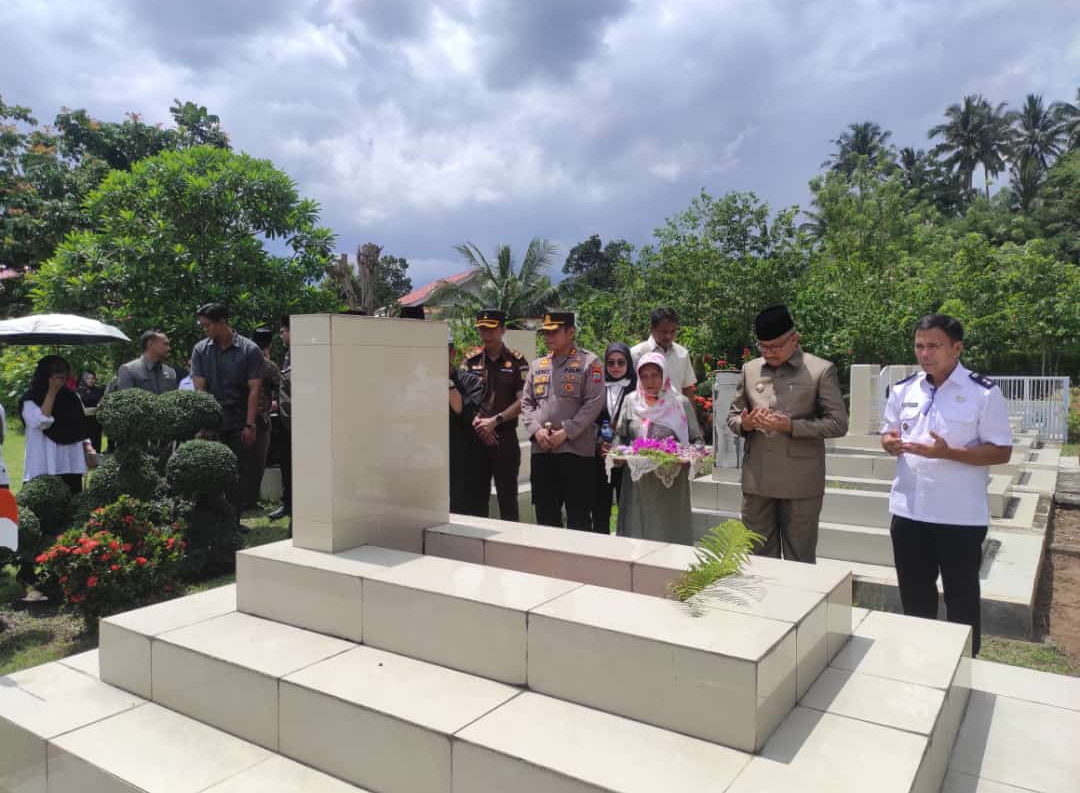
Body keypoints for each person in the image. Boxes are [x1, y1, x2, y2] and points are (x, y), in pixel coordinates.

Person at [881, 314, 1012, 657]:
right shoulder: (903, 389)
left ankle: (965, 665)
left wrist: (948, 452)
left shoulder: (982, 392)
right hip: (909, 510)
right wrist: (889, 442)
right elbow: (889, 431)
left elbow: (1001, 451)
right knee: (914, 593)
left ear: (957, 348)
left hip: (959, 515)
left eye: (934, 346)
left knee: (961, 597)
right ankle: (919, 659)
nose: (925, 353)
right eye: (919, 346)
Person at [726, 305, 848, 563]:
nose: (769, 353)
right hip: (757, 482)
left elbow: (838, 423)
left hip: (800, 483)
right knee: (756, 557)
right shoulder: (750, 370)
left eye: (776, 346)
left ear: (794, 339)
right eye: (763, 347)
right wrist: (745, 424)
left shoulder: (820, 370)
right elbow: (732, 417)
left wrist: (791, 426)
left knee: (799, 559)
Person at [520, 312, 604, 530]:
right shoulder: (538, 365)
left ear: (571, 332)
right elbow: (527, 404)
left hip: (575, 452)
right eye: (545, 332)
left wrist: (566, 432)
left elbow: (594, 403)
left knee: (579, 517)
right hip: (543, 451)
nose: (548, 336)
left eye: (554, 331)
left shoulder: (589, 362)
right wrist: (537, 431)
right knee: (546, 516)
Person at [614, 352, 703, 543]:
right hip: (638, 481)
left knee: (669, 534)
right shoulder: (631, 401)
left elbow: (697, 440)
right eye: (644, 376)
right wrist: (616, 455)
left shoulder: (680, 403)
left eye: (655, 375)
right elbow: (620, 437)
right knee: (638, 535)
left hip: (671, 483)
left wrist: (690, 457)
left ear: (664, 376)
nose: (649, 381)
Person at [190, 303, 265, 513]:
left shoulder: (250, 350)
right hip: (212, 421)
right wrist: (205, 421)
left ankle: (234, 521)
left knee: (236, 473)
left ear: (222, 322)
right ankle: (210, 518)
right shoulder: (200, 350)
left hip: (239, 420)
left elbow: (254, 390)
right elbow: (200, 389)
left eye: (207, 325)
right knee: (209, 471)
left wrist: (250, 425)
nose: (205, 330)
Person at [461, 309, 530, 520]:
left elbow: (523, 400)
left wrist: (495, 421)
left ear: (502, 330)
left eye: (491, 329)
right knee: (476, 499)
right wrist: (481, 426)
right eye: (482, 329)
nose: (487, 334)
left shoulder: (517, 361)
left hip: (504, 438)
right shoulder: (470, 361)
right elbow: (461, 398)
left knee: (508, 500)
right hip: (475, 439)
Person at [19, 356, 95, 494]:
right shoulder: (30, 399)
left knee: (71, 503)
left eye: (62, 373)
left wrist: (88, 447)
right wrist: (51, 392)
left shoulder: (71, 397)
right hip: (44, 460)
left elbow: (80, 427)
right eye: (55, 372)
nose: (60, 377)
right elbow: (42, 422)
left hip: (70, 461)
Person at [589, 342, 636, 534]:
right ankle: (601, 546)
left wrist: (623, 449)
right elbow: (589, 416)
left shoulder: (637, 388)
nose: (616, 367)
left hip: (626, 457)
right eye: (611, 363)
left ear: (629, 363)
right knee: (599, 505)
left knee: (627, 506)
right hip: (600, 453)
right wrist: (599, 444)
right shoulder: (596, 385)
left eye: (621, 362)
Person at [242, 328, 280, 510]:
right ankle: (249, 500)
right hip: (260, 419)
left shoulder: (240, 360)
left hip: (238, 417)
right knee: (257, 462)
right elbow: (280, 387)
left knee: (242, 461)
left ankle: (241, 500)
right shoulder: (267, 365)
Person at [449, 330, 485, 514]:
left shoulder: (470, 381)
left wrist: (446, 383)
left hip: (463, 464)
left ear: (452, 354)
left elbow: (467, 413)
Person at [631, 307, 698, 400]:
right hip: (645, 412)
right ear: (652, 329)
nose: (668, 336)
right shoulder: (637, 353)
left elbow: (687, 389)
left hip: (675, 413)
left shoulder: (682, 354)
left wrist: (692, 414)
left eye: (673, 331)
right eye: (663, 331)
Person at [268, 317, 292, 521]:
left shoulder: (305, 355)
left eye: (284, 331)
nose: (281, 335)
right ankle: (289, 504)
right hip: (285, 422)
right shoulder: (287, 355)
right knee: (286, 465)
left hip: (298, 423)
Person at [76, 371, 106, 454]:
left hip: (96, 418)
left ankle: (96, 456)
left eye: (93, 378)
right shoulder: (79, 391)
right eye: (89, 378)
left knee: (96, 438)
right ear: (85, 379)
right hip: (84, 419)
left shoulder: (99, 390)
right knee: (85, 439)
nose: (91, 380)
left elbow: (103, 400)